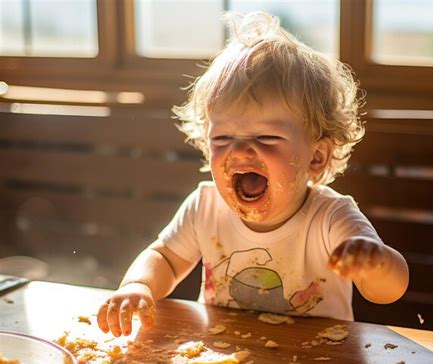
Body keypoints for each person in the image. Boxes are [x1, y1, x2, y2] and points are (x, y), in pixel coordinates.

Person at [98, 11, 409, 337]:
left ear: (316, 157)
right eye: (222, 138)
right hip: (227, 363)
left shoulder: (332, 217)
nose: (240, 151)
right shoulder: (205, 206)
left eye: (266, 138)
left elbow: (388, 291)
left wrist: (376, 264)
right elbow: (165, 257)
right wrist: (138, 285)